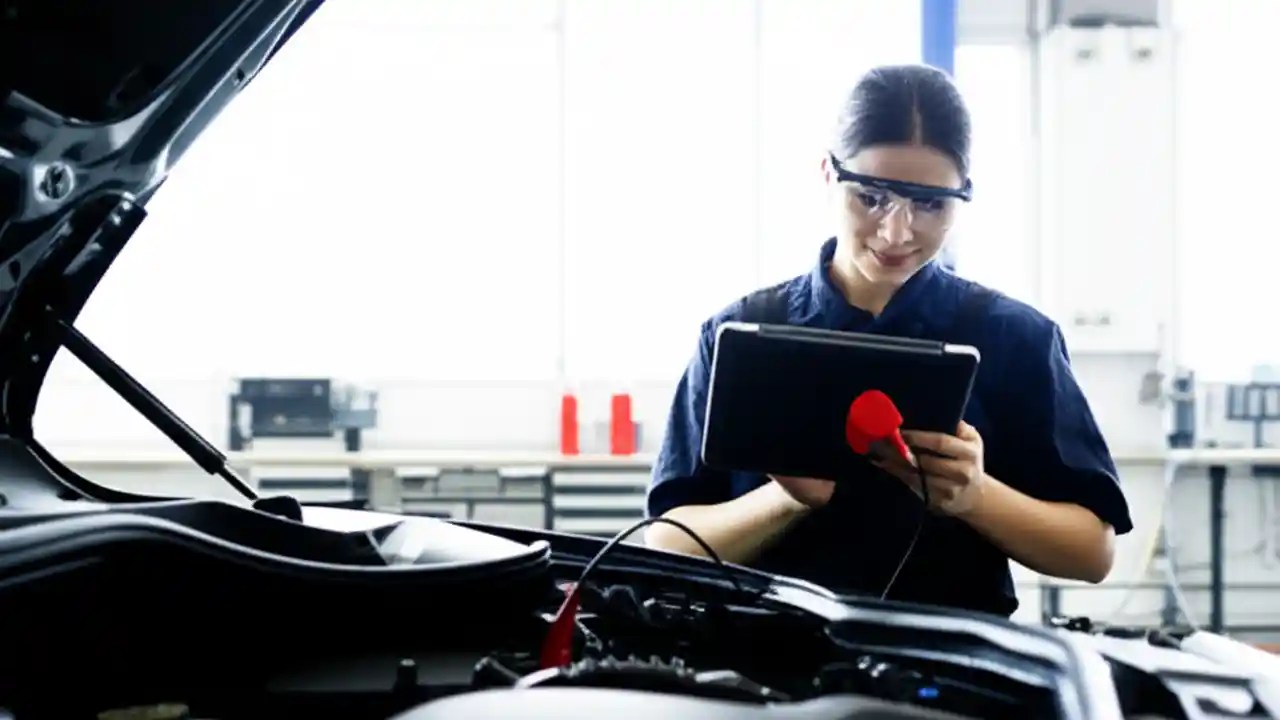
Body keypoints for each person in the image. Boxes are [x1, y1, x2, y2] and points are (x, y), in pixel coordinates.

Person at [643, 64, 1133, 617]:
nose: (898, 232)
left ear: (963, 196)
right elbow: (666, 542)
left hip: (951, 669)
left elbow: (1092, 552)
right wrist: (784, 498)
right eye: (872, 197)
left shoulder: (1014, 338)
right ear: (829, 174)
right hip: (766, 670)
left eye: (930, 204)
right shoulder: (739, 335)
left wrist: (975, 497)